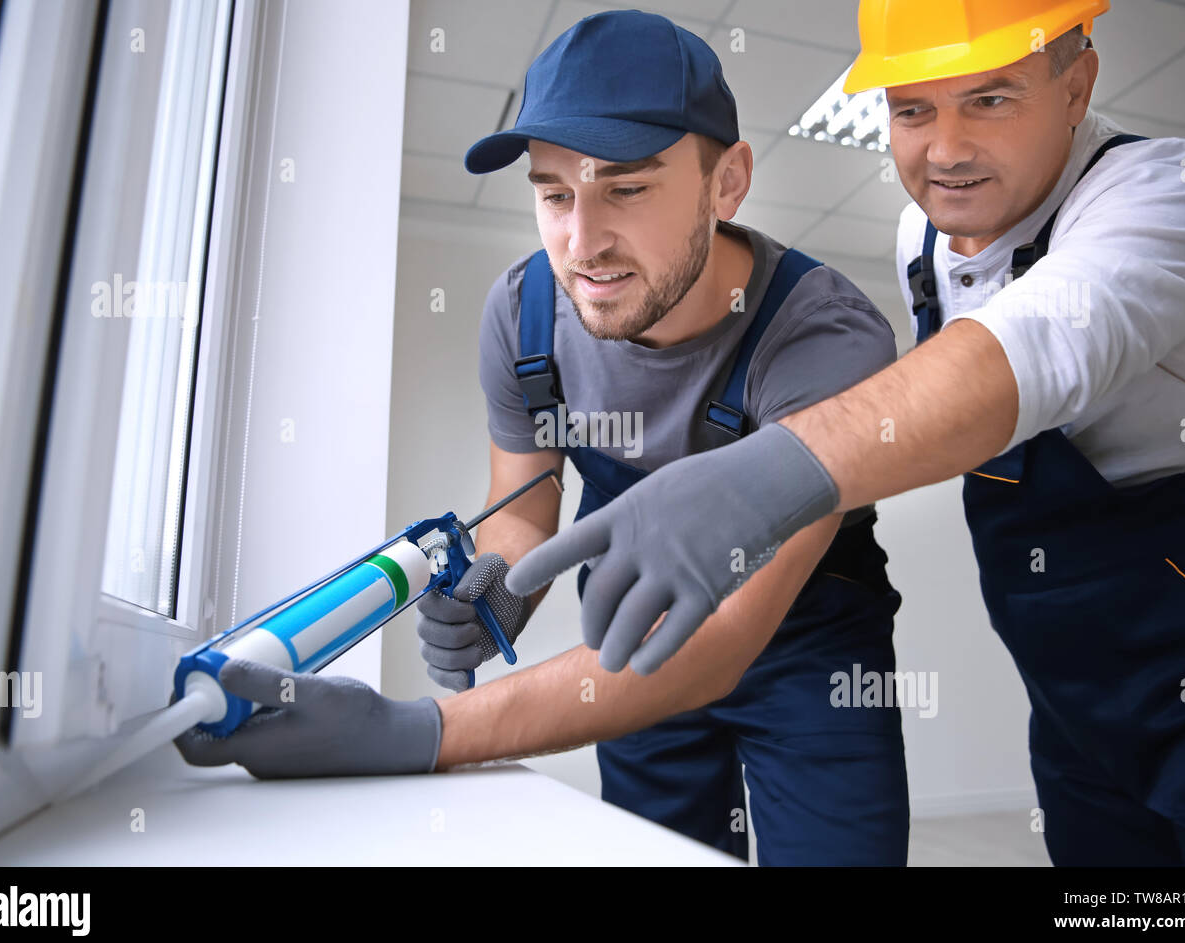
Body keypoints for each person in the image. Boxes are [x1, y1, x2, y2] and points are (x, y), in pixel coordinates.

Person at [507, 0, 1185, 865]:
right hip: (1074, 697)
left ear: (1076, 85)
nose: (947, 149)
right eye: (911, 109)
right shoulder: (923, 237)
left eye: (992, 99)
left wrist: (764, 477)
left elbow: (1031, 350)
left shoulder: (1169, 195)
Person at [176, 10, 912, 866]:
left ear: (727, 182)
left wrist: (419, 731)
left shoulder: (822, 337)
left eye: (626, 189)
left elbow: (718, 645)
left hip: (809, 653)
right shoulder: (523, 317)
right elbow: (524, 505)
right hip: (626, 637)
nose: (582, 242)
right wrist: (505, 580)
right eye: (555, 193)